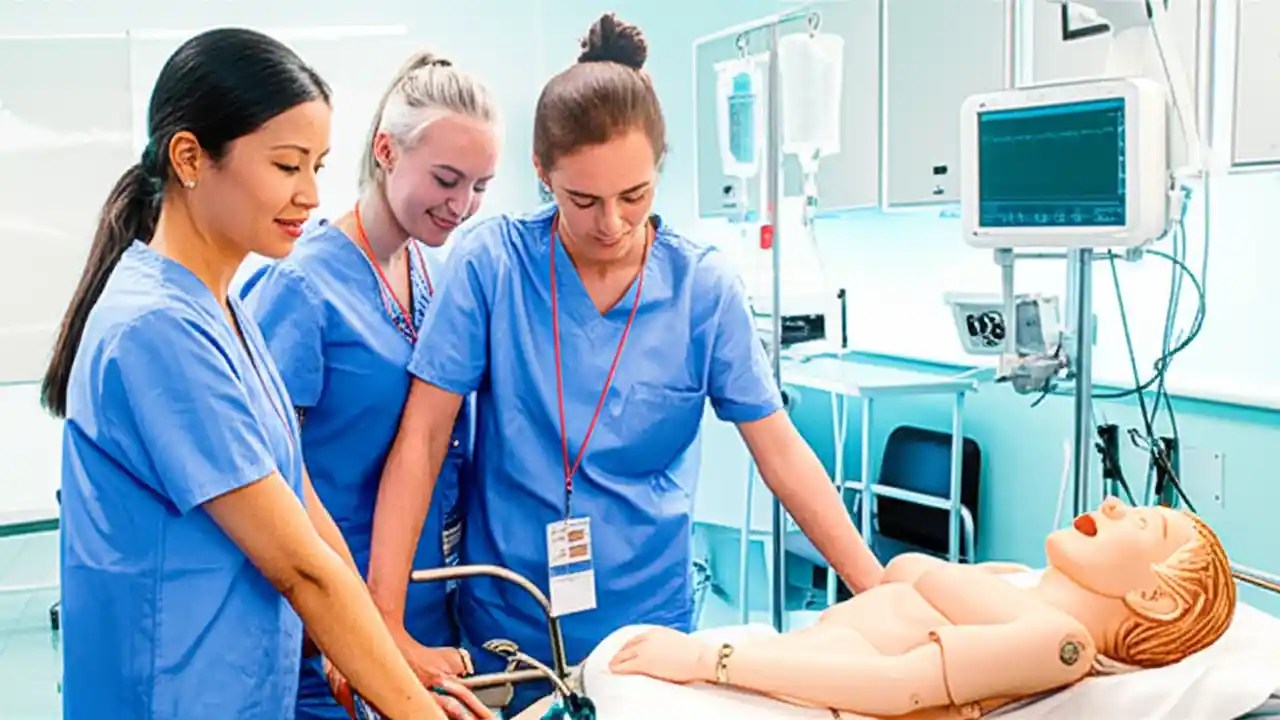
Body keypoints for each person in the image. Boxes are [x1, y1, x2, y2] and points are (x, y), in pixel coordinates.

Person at [365, 13, 884, 714]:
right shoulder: (492, 267)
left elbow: (781, 454)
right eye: (582, 200)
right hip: (508, 627)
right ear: (542, 174)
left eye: (635, 197)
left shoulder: (701, 289)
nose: (611, 224)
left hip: (650, 633)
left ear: (659, 170)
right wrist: (383, 624)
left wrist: (877, 593)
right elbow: (422, 441)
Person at [40, 28, 474, 719]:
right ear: (190, 157)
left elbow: (304, 511)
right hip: (172, 696)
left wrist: (374, 659)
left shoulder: (225, 308)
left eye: (317, 167)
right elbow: (298, 567)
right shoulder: (157, 328)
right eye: (285, 165)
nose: (308, 194)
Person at [240, 47, 499, 719]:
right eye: (446, 179)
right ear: (386, 150)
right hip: (331, 629)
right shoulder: (301, 288)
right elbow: (268, 484)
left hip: (423, 612)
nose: (462, 205)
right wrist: (356, 631)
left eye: (479, 186)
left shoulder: (427, 273)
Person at [606, 497, 1236, 718]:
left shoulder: (1060, 642)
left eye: (1144, 525)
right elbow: (904, 584)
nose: (1118, 506)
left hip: (794, 702)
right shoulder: (1012, 581)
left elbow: (894, 687)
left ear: (1152, 596)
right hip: (767, 675)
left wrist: (708, 658)